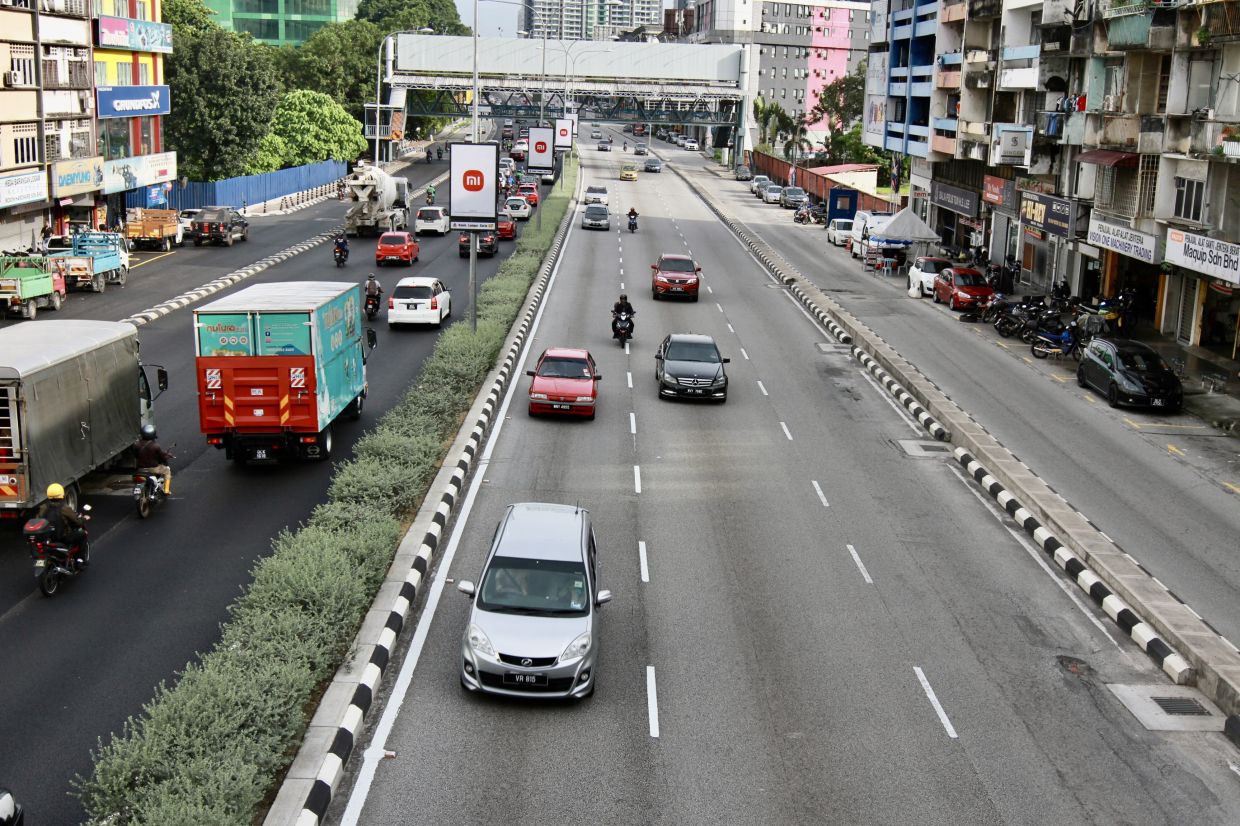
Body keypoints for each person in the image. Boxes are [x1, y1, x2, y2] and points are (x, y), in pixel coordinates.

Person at [36, 483, 88, 559]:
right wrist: (84, 518)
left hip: (48, 538)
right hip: (63, 538)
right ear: (62, 494)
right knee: (83, 534)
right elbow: (78, 522)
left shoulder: (43, 507)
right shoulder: (65, 508)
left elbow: (38, 520)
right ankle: (80, 559)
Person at [135, 424, 172, 495]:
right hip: (153, 469)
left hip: (140, 469)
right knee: (167, 471)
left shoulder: (137, 445)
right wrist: (166, 458)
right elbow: (162, 457)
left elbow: (136, 455)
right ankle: (166, 490)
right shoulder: (155, 446)